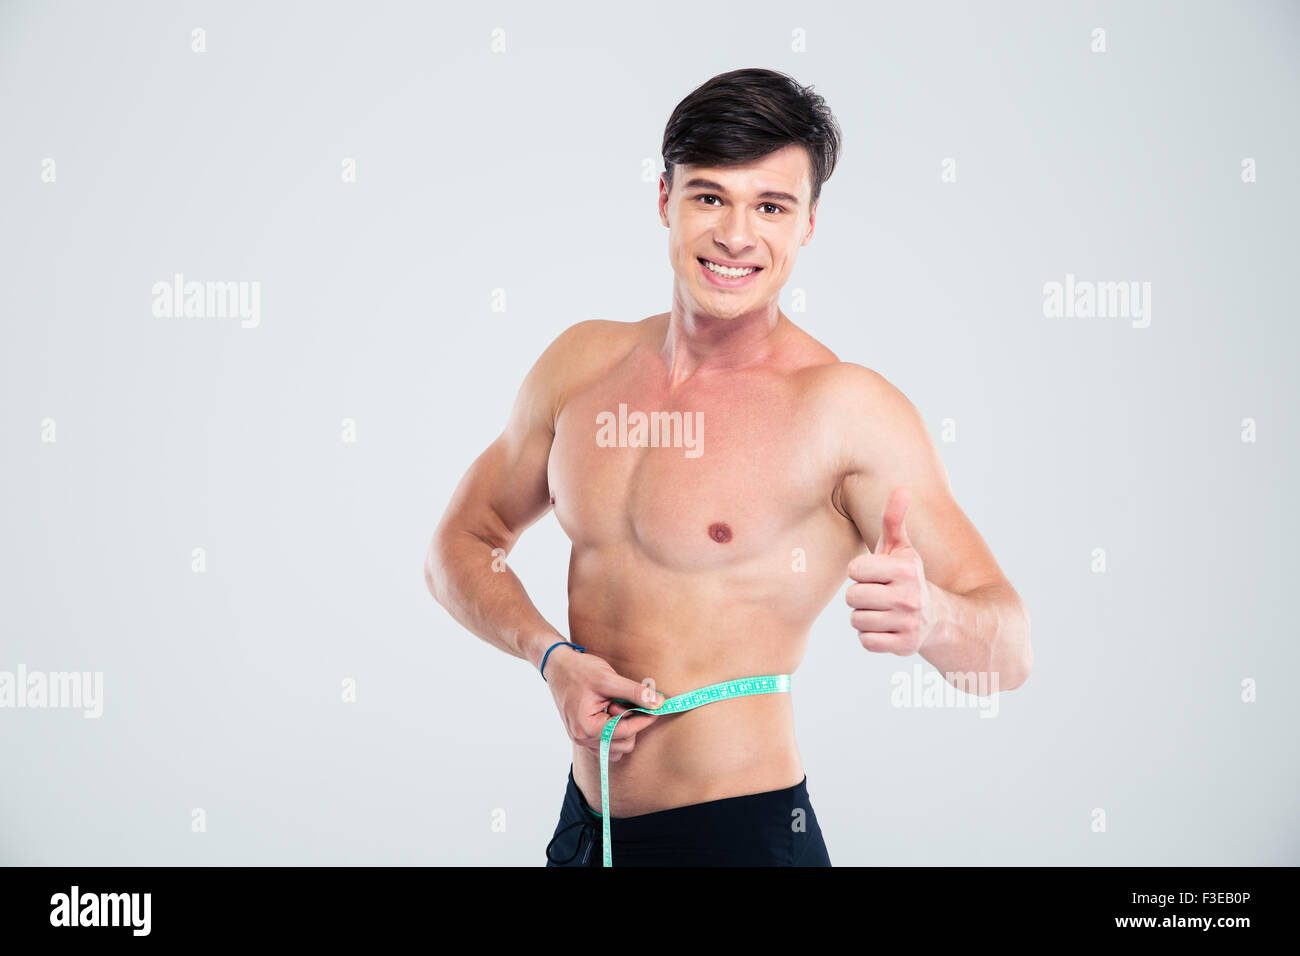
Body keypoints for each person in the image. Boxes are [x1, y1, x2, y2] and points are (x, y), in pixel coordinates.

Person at [424, 67, 1032, 866]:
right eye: (710, 196)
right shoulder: (582, 363)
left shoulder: (844, 409)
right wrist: (551, 658)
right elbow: (461, 543)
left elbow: (1010, 650)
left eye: (771, 207)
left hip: (740, 836)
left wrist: (936, 620)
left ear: (808, 224)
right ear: (664, 199)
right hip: (586, 830)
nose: (737, 236)